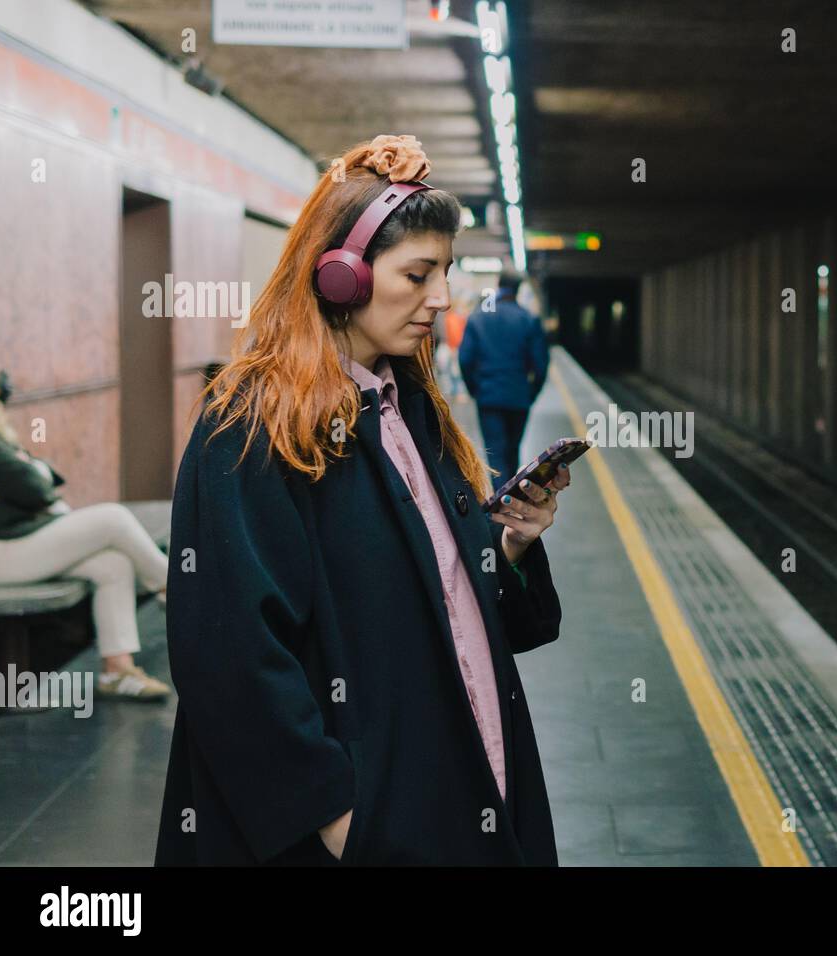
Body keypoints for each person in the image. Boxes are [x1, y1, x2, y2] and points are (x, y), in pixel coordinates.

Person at [154, 134, 572, 866]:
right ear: (341, 276)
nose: (440, 300)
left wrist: (511, 546)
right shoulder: (255, 423)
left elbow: (444, 595)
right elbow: (227, 651)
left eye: (444, 273)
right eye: (418, 274)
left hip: (450, 778)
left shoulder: (408, 407)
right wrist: (338, 817)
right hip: (363, 816)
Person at [0, 351, 171, 700]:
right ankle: (173, 586)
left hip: (10, 542)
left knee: (112, 563)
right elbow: (36, 489)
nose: (1, 393)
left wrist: (32, 469)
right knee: (112, 518)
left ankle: (117, 671)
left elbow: (35, 479)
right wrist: (33, 470)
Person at [459, 270, 549, 482]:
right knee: (512, 451)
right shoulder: (529, 320)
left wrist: (476, 390)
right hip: (519, 397)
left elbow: (465, 360)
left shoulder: (478, 318)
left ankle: (501, 507)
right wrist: (531, 393)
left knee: (496, 454)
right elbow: (541, 365)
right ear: (518, 288)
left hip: (488, 397)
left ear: (499, 285)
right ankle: (510, 499)